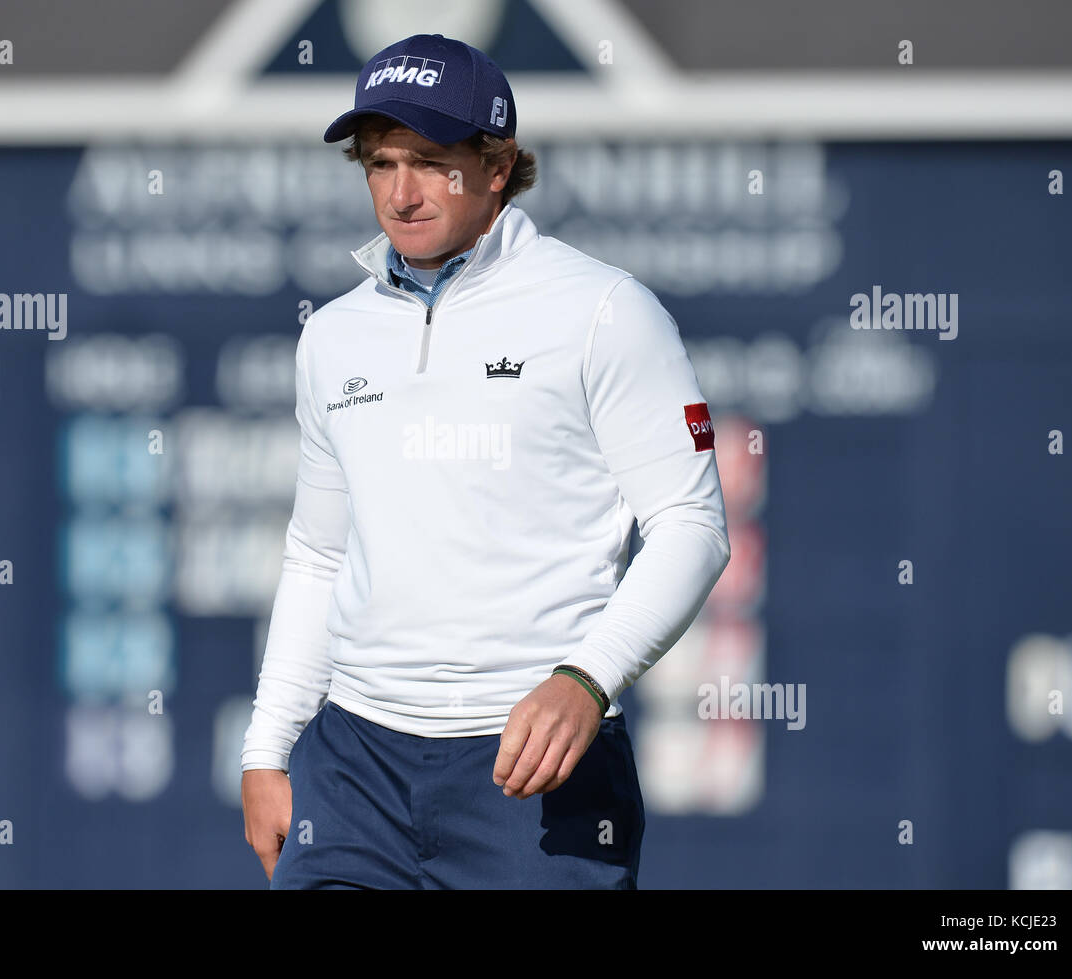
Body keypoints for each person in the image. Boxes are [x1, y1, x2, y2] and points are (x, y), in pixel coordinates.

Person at [241, 32, 729, 889]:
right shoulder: (333, 334)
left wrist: (588, 677)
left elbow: (692, 524)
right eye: (379, 162)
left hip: (536, 766)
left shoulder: (606, 311)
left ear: (497, 166)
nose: (400, 192)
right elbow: (318, 552)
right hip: (354, 767)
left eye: (430, 161)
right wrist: (267, 747)